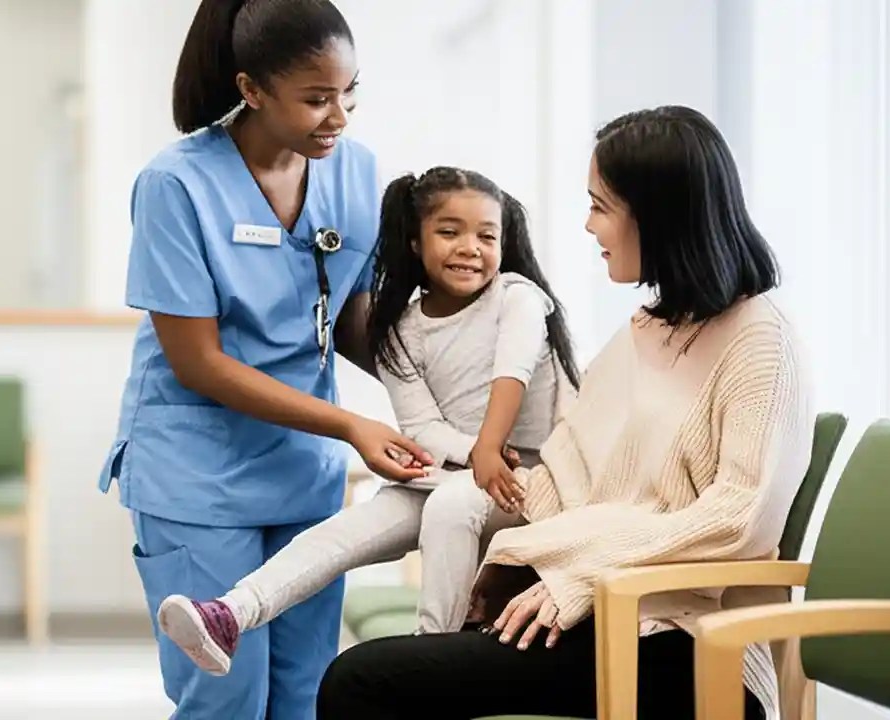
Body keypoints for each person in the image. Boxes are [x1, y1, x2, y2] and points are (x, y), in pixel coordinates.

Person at [315, 106, 815, 720]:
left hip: (690, 646)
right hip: (605, 613)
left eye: (601, 205)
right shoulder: (647, 330)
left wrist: (578, 573)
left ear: (656, 215)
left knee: (365, 682)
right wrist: (502, 548)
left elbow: (739, 519)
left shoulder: (762, 343)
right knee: (387, 670)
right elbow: (562, 475)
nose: (587, 224)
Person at [96, 1, 440, 717]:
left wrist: (458, 393)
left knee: (305, 691)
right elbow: (198, 363)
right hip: (197, 474)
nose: (338, 117)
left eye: (349, 95)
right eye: (316, 99)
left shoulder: (357, 174)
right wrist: (351, 426)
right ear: (252, 89)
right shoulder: (177, 184)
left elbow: (352, 323)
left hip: (302, 471)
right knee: (228, 697)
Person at [157, 166, 581, 676]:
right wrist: (474, 452)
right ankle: (231, 612)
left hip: (530, 479)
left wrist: (489, 449)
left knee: (450, 505)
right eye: (449, 232)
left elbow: (511, 371)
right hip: (459, 471)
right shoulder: (402, 329)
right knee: (339, 534)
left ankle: (431, 657)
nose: (470, 246)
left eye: (486, 236)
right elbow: (421, 425)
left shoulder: (518, 297)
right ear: (415, 241)